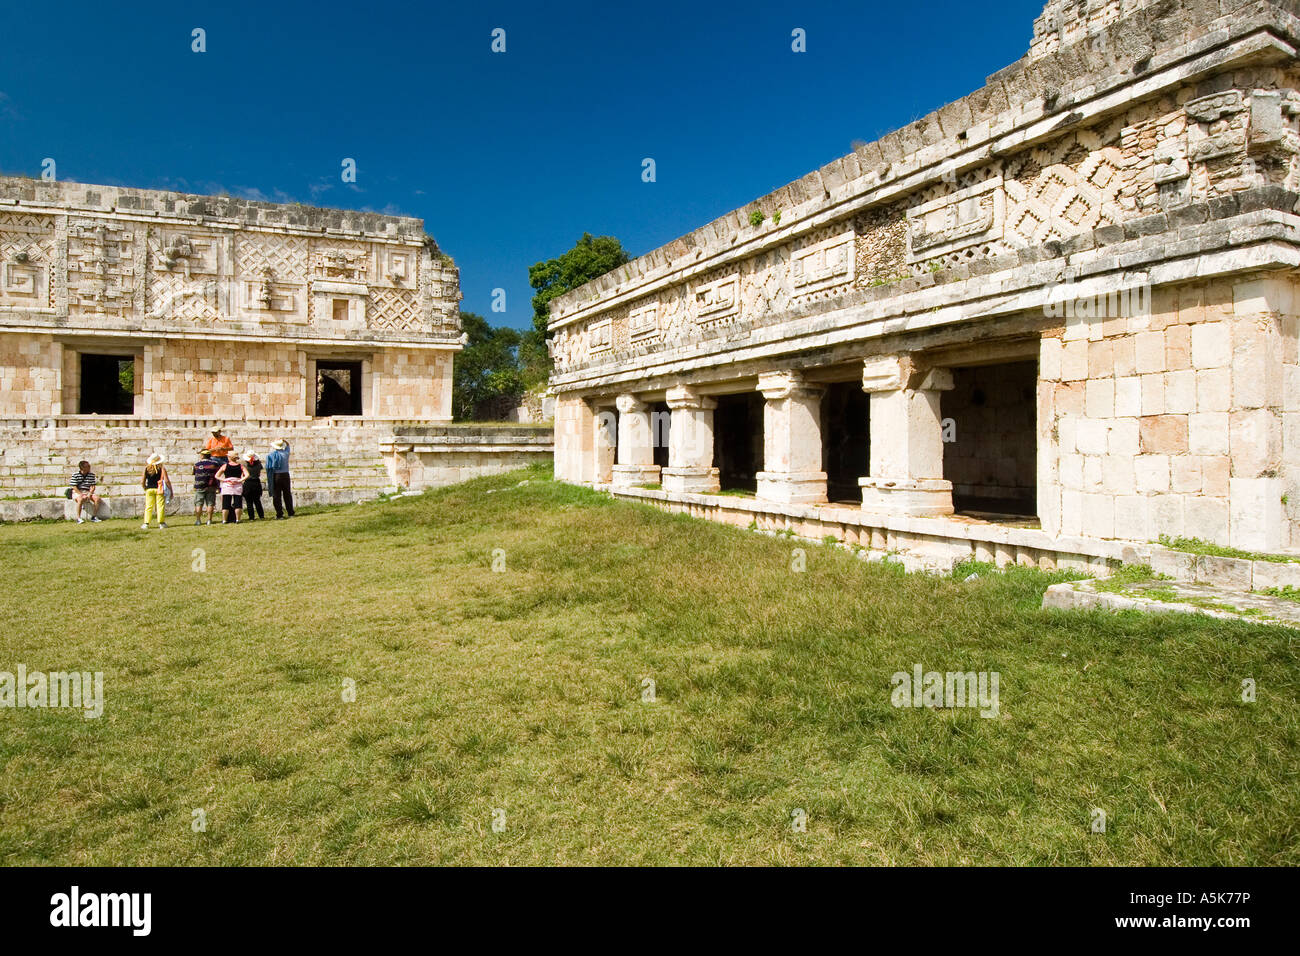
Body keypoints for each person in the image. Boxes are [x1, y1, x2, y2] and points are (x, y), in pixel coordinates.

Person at [215, 450, 249, 524]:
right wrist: (240, 480)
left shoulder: (225, 466)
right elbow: (247, 475)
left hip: (227, 485)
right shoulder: (240, 466)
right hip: (237, 484)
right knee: (238, 503)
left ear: (229, 457)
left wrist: (224, 480)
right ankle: (238, 519)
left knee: (226, 503)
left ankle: (224, 520)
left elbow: (217, 476)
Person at [140, 453, 172, 530]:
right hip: (159, 488)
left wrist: (145, 487)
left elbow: (142, 481)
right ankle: (161, 523)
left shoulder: (146, 469)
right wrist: (170, 489)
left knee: (148, 506)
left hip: (149, 489)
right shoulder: (162, 469)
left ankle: (146, 523)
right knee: (160, 506)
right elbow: (166, 480)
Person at [266, 438, 294, 518]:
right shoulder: (286, 453)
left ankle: (279, 513)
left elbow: (268, 467)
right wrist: (283, 440)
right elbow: (288, 445)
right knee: (287, 494)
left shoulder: (271, 455)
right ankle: (290, 512)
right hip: (285, 474)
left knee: (277, 496)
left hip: (276, 475)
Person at [193, 449, 221, 525]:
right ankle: (209, 520)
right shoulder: (215, 463)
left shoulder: (196, 464)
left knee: (198, 503)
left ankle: (198, 520)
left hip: (199, 486)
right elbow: (217, 474)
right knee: (210, 503)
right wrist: (218, 487)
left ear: (202, 456)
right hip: (211, 485)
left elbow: (194, 473)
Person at [243, 452, 265, 520]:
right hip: (256, 482)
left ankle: (251, 517)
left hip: (248, 482)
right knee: (257, 501)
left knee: (249, 502)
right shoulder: (259, 464)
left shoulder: (245, 465)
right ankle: (261, 516)